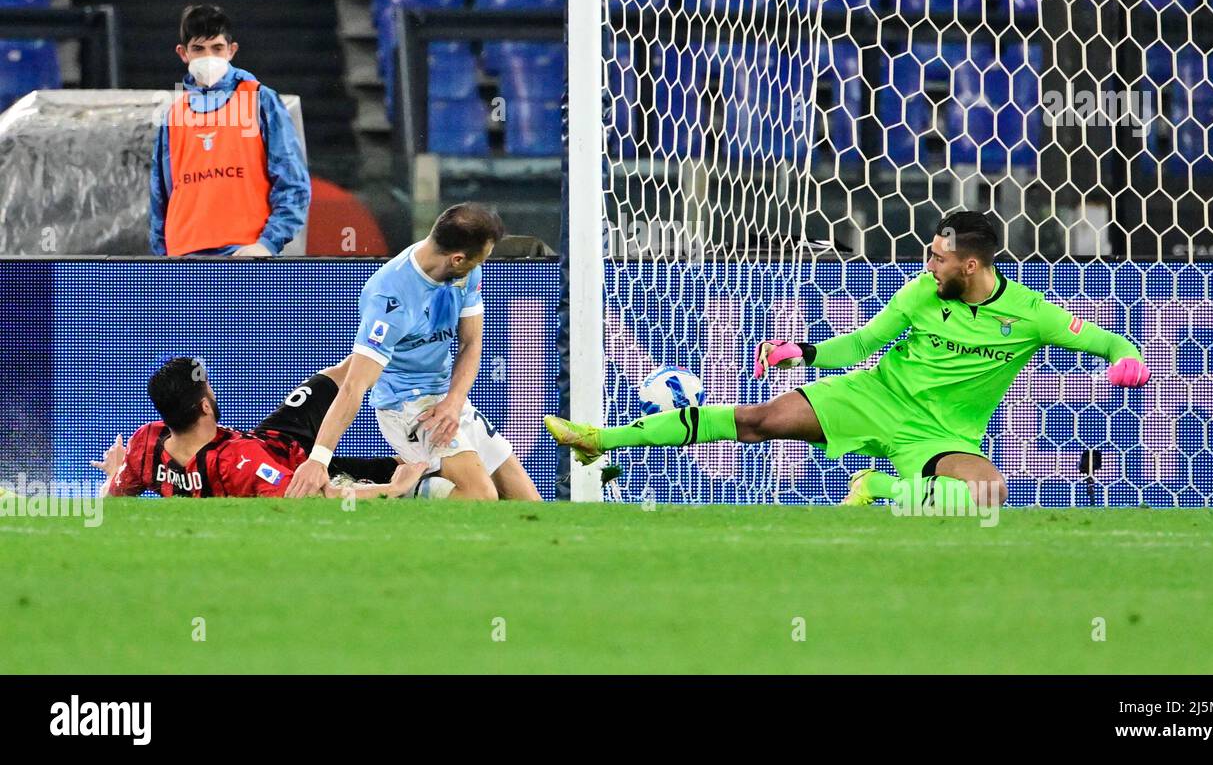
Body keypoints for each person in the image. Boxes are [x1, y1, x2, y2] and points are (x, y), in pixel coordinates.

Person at [546, 210, 1151, 510]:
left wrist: (1131, 360)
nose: (928, 264)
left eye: (939, 257)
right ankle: (601, 437)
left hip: (942, 431)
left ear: (971, 266)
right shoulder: (919, 293)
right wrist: (801, 351)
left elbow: (1107, 342)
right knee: (758, 421)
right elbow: (861, 345)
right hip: (873, 395)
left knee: (988, 497)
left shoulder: (1031, 314)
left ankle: (879, 485)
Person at [284, 203, 542, 502]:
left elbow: (470, 343)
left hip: (447, 399)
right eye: (475, 262)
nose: (478, 268)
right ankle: (387, 492)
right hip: (405, 405)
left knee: (527, 503)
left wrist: (454, 401)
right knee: (480, 496)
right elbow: (355, 385)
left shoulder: (466, 271)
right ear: (457, 259)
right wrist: (319, 457)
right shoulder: (389, 298)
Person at [96, 355, 427, 499]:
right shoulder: (239, 463)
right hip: (293, 463)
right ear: (205, 406)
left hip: (275, 436)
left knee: (339, 374)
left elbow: (112, 495)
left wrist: (115, 472)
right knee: (409, 469)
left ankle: (389, 348)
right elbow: (318, 496)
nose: (212, 389)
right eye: (208, 386)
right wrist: (392, 489)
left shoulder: (145, 444)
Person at [149, 4, 311, 257]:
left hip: (245, 253)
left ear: (231, 50)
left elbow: (293, 184)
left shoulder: (260, 100)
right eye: (198, 49)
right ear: (183, 53)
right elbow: (161, 196)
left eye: (217, 48)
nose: (208, 57)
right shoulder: (173, 115)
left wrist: (266, 244)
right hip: (183, 257)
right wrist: (163, 257)